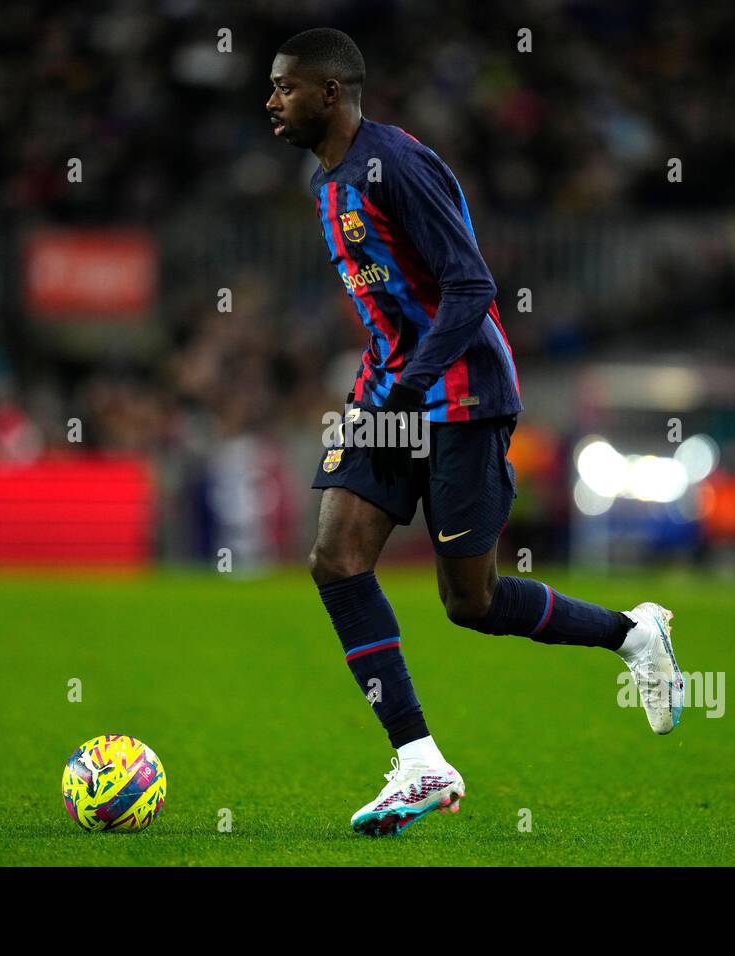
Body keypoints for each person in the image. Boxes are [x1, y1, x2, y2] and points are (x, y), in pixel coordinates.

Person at [267, 28, 683, 837]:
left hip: (460, 398)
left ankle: (634, 634)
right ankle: (420, 762)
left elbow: (471, 285)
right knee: (335, 558)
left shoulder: (398, 166)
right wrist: (386, 390)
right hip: (388, 394)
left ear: (331, 93)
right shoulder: (328, 180)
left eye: (285, 86)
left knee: (472, 599)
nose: (271, 100)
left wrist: (414, 384)